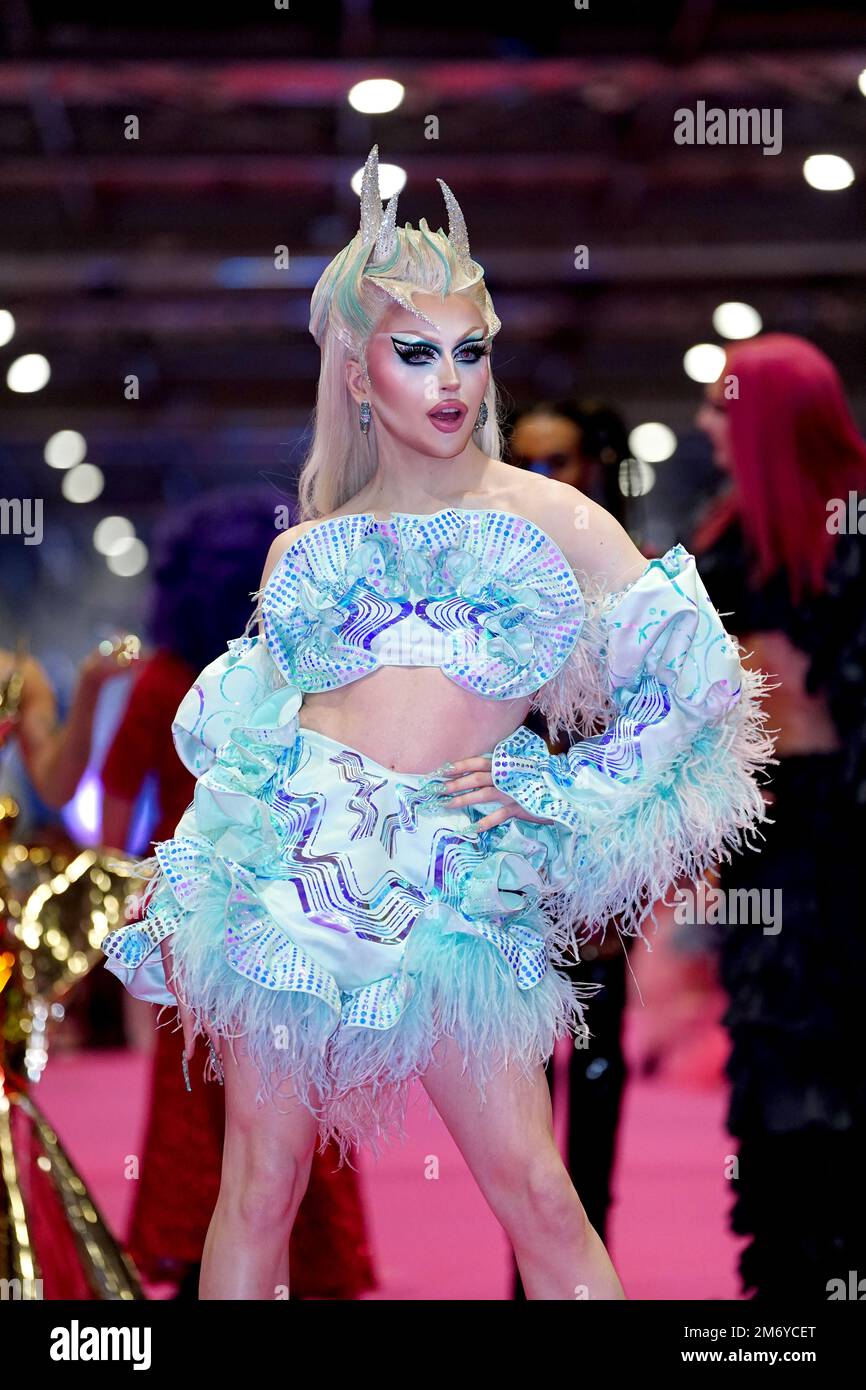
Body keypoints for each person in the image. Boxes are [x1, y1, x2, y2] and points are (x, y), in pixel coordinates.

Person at [100, 146, 775, 1301]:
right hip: (292, 875)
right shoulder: (302, 548)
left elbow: (703, 687)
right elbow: (255, 742)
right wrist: (193, 880)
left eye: (468, 351)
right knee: (256, 1186)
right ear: (359, 375)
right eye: (415, 353)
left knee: (534, 1191)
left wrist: (558, 794)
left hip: (462, 887)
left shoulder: (553, 518)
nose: (449, 379)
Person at [99, 488, 375, 1300]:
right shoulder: (308, 678)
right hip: (299, 901)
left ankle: (203, 1257)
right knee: (299, 1093)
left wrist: (136, 885)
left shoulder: (164, 682)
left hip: (199, 903)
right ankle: (310, 1263)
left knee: (197, 1094)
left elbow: (117, 803)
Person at [693, 332, 866, 1299]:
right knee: (777, 1061)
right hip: (773, 837)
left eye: (723, 407)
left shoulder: (848, 536)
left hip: (837, 838)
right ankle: (799, 1293)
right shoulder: (732, 541)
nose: (707, 425)